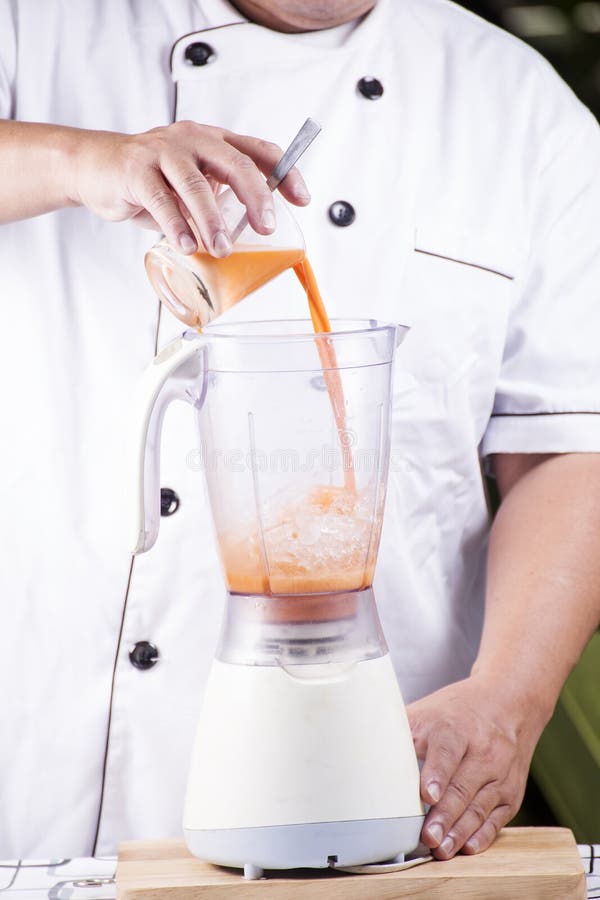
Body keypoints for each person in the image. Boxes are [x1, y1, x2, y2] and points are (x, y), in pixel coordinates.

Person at [1, 0, 599, 862]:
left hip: (365, 785)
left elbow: (567, 446)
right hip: (31, 753)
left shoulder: (521, 113)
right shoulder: (35, 22)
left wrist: (507, 696)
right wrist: (79, 157)